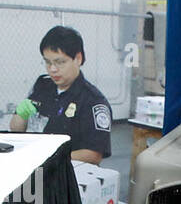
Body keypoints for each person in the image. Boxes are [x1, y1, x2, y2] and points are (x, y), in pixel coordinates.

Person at [9, 26, 111, 164]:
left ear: (78, 58)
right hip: (34, 165)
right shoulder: (42, 85)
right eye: (48, 62)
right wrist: (20, 115)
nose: (53, 69)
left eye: (60, 62)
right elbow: (16, 129)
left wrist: (50, 157)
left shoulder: (92, 101)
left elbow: (93, 155)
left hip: (67, 173)